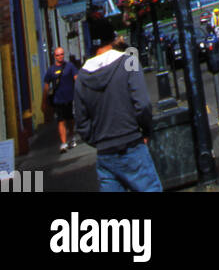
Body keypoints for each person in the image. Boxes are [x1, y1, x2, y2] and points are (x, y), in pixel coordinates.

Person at [73, 19, 163, 193]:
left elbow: (81, 123)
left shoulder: (82, 77)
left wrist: (99, 140)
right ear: (113, 39)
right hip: (132, 145)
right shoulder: (128, 62)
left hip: (105, 154)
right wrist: (145, 131)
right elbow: (143, 104)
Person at [43, 47, 78, 153]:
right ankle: (63, 143)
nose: (60, 56)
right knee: (60, 120)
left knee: (70, 119)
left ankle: (71, 136)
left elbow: (76, 78)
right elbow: (46, 85)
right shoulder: (51, 70)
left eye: (62, 54)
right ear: (54, 56)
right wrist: (44, 100)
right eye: (58, 55)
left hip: (69, 98)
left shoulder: (70, 66)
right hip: (58, 99)